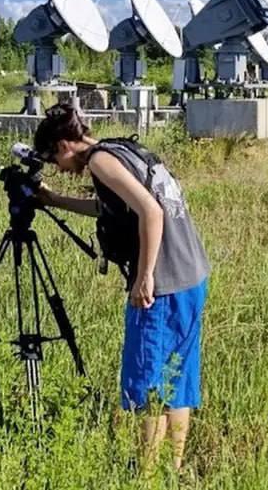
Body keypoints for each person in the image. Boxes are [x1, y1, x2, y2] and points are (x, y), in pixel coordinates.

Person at [32, 101, 210, 471]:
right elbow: (110, 208)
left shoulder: (99, 161)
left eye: (54, 160)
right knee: (177, 379)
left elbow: (151, 211)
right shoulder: (120, 150)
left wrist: (145, 276)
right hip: (191, 275)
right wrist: (54, 200)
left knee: (147, 385)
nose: (59, 169)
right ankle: (171, 470)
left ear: (64, 146)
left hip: (161, 285)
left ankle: (144, 475)